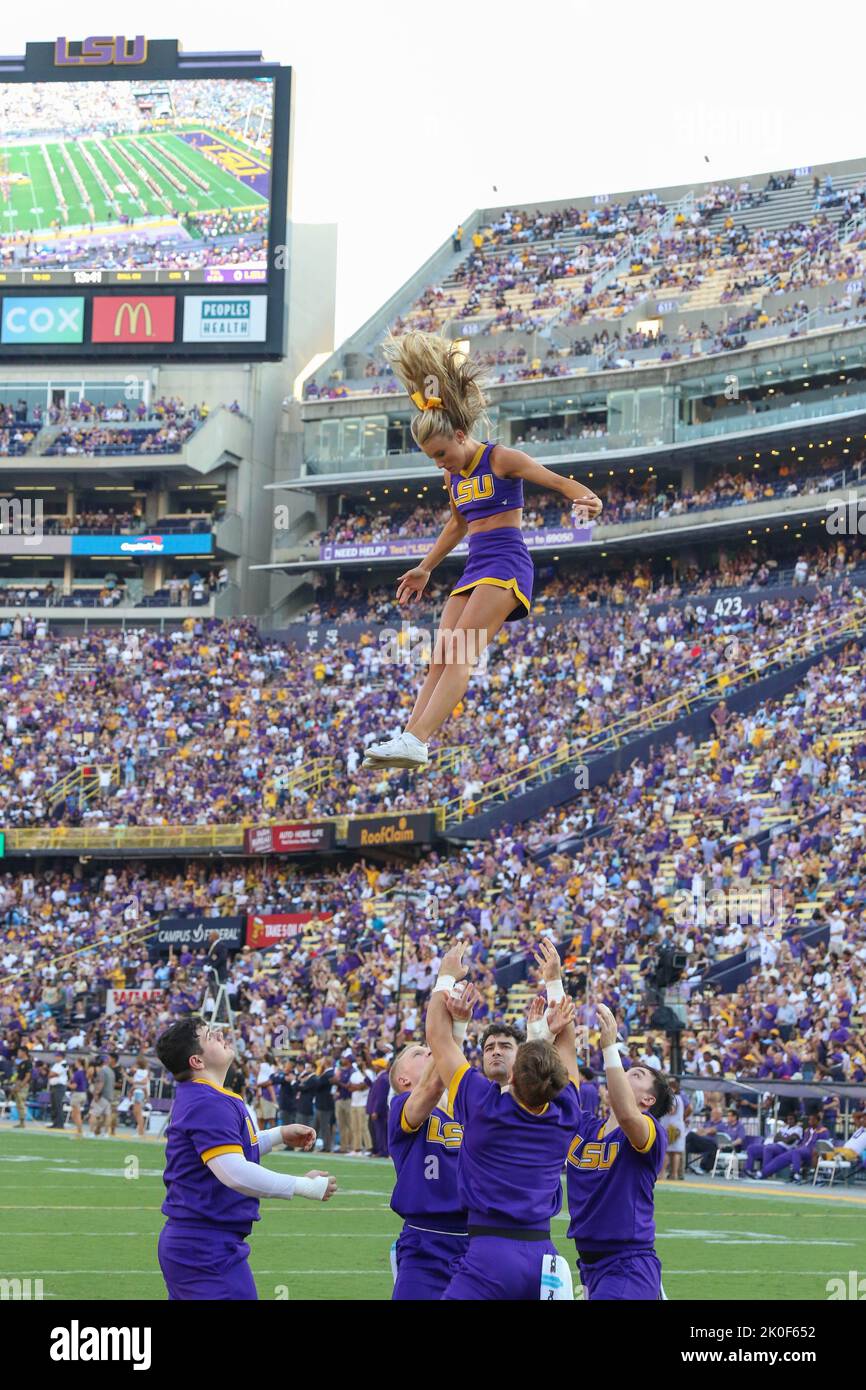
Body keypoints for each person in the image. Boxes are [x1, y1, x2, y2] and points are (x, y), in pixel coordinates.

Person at [362, 331, 602, 769]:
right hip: (474, 565)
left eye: (441, 453)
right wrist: (425, 568)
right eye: (431, 458)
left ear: (457, 434)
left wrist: (590, 498)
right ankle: (408, 738)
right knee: (439, 656)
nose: (439, 463)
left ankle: (417, 740)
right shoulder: (452, 476)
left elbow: (557, 481)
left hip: (507, 562)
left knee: (461, 651)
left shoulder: (500, 458)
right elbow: (458, 523)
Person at [425, 940, 587, 1300]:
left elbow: (437, 1036)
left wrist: (445, 977)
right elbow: (567, 1053)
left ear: (512, 1076)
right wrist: (555, 982)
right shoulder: (566, 1111)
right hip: (543, 1255)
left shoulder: (485, 1107)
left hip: (490, 1254)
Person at [155, 1017, 337, 1300]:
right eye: (208, 1036)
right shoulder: (208, 1101)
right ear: (196, 1061)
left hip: (201, 1242)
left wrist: (277, 1135)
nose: (218, 1034)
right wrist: (305, 1186)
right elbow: (234, 1172)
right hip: (204, 1245)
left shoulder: (209, 1096)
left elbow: (229, 1151)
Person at [565, 1001, 672, 1300]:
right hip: (590, 1267)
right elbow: (567, 1074)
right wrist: (556, 991)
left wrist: (610, 1049)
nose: (625, 1074)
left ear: (648, 1101)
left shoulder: (651, 1129)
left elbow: (626, 1115)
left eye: (636, 1075)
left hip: (628, 1264)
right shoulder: (587, 1128)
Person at [387, 983, 479, 1299]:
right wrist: (455, 1023)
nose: (428, 1050)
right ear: (403, 1080)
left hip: (477, 1240)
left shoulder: (466, 1104)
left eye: (428, 1048)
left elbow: (453, 1074)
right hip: (425, 1241)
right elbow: (434, 1083)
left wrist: (458, 1029)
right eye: (417, 1052)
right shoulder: (402, 1106)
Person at [664, 1077, 688, 1180]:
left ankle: (664, 1174)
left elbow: (671, 1111)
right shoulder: (680, 1098)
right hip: (677, 1125)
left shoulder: (673, 1098)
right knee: (676, 1151)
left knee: (668, 1151)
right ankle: (674, 1174)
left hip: (672, 1126)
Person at [127, 1053, 150, 1138]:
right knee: (136, 1112)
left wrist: (135, 1083)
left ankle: (140, 1132)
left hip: (139, 1092)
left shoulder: (141, 1072)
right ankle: (140, 1130)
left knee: (138, 1113)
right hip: (138, 1092)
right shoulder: (143, 1072)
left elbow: (144, 1082)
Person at [11, 1044, 32, 1127]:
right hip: (18, 1083)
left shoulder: (28, 1063)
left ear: (24, 1052)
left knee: (21, 1103)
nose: (18, 1053)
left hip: (24, 1085)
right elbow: (18, 1076)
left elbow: (28, 1076)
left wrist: (20, 1086)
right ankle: (20, 1122)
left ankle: (23, 1122)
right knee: (18, 1104)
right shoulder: (21, 1063)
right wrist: (15, 1086)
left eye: (19, 1051)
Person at [68, 1057, 89, 1138]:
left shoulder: (78, 1073)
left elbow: (74, 1086)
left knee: (76, 1115)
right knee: (75, 1115)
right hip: (83, 1094)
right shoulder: (83, 1072)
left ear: (79, 1063)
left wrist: (68, 1085)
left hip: (77, 1094)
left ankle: (79, 1132)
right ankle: (79, 1131)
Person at [47, 1053, 68, 1129]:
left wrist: (51, 1074)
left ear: (61, 1057)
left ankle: (60, 1123)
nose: (56, 1058)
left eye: (57, 1056)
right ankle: (55, 1122)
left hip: (59, 1087)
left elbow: (54, 1074)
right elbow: (50, 1073)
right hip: (53, 1086)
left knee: (58, 1105)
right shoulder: (56, 1064)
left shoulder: (64, 1064)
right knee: (54, 1105)